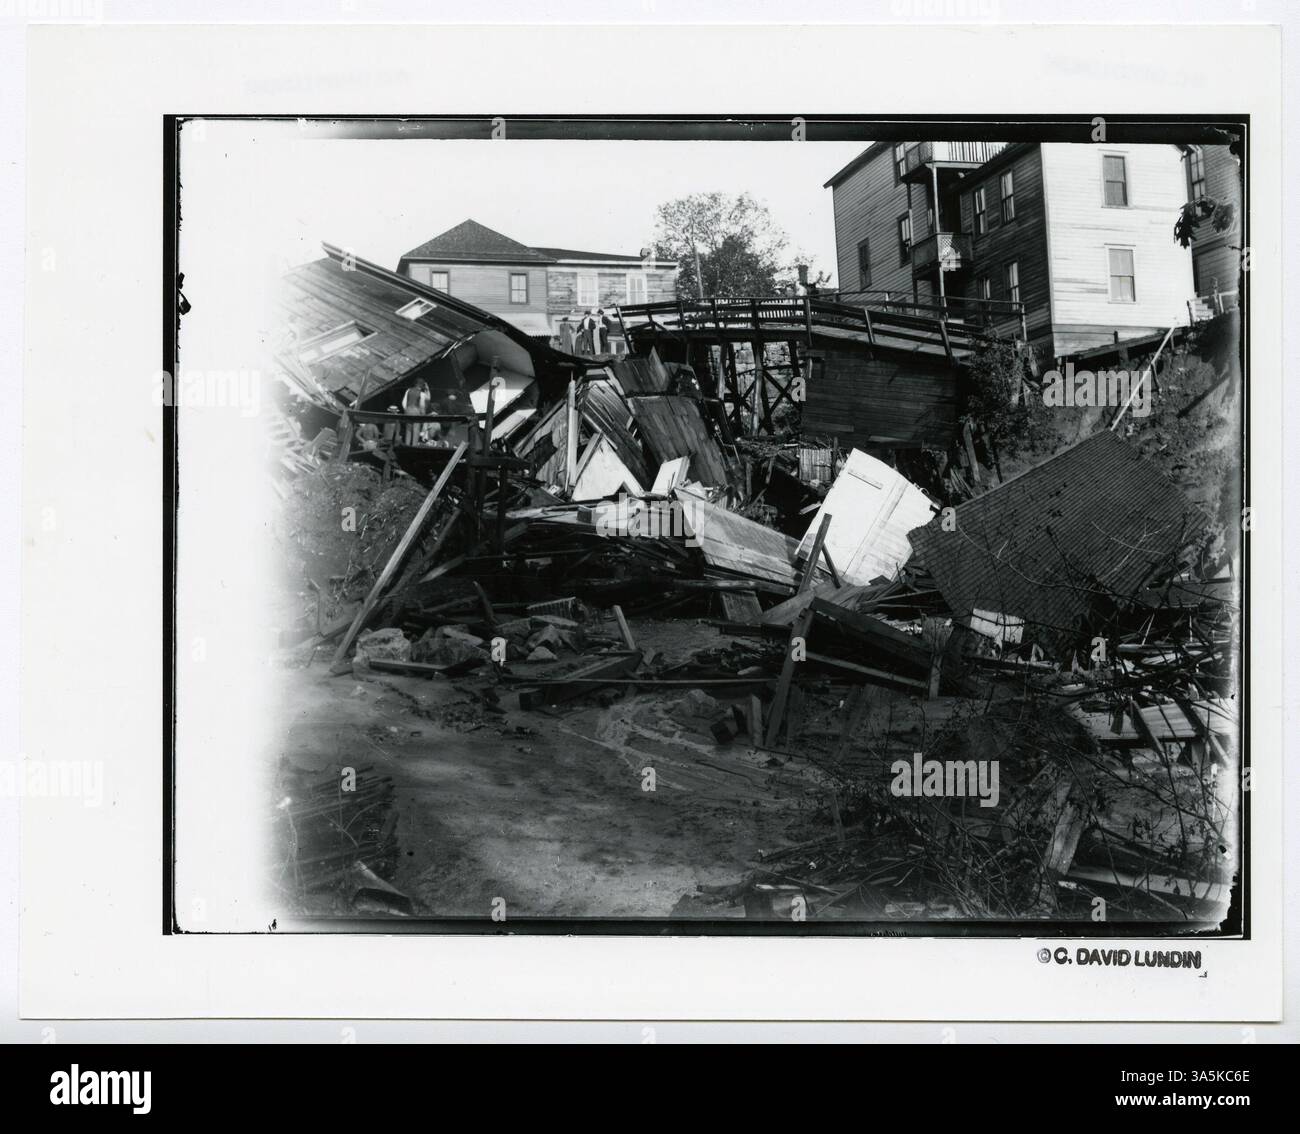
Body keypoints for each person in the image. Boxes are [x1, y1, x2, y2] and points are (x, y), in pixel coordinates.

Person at [402, 379, 430, 445]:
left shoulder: (408, 390)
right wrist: (427, 389)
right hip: (416, 411)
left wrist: (406, 410)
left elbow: (403, 402)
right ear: (422, 385)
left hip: (408, 410)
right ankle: (414, 445)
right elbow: (423, 404)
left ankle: (407, 445)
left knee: (408, 429)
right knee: (416, 429)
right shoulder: (422, 394)